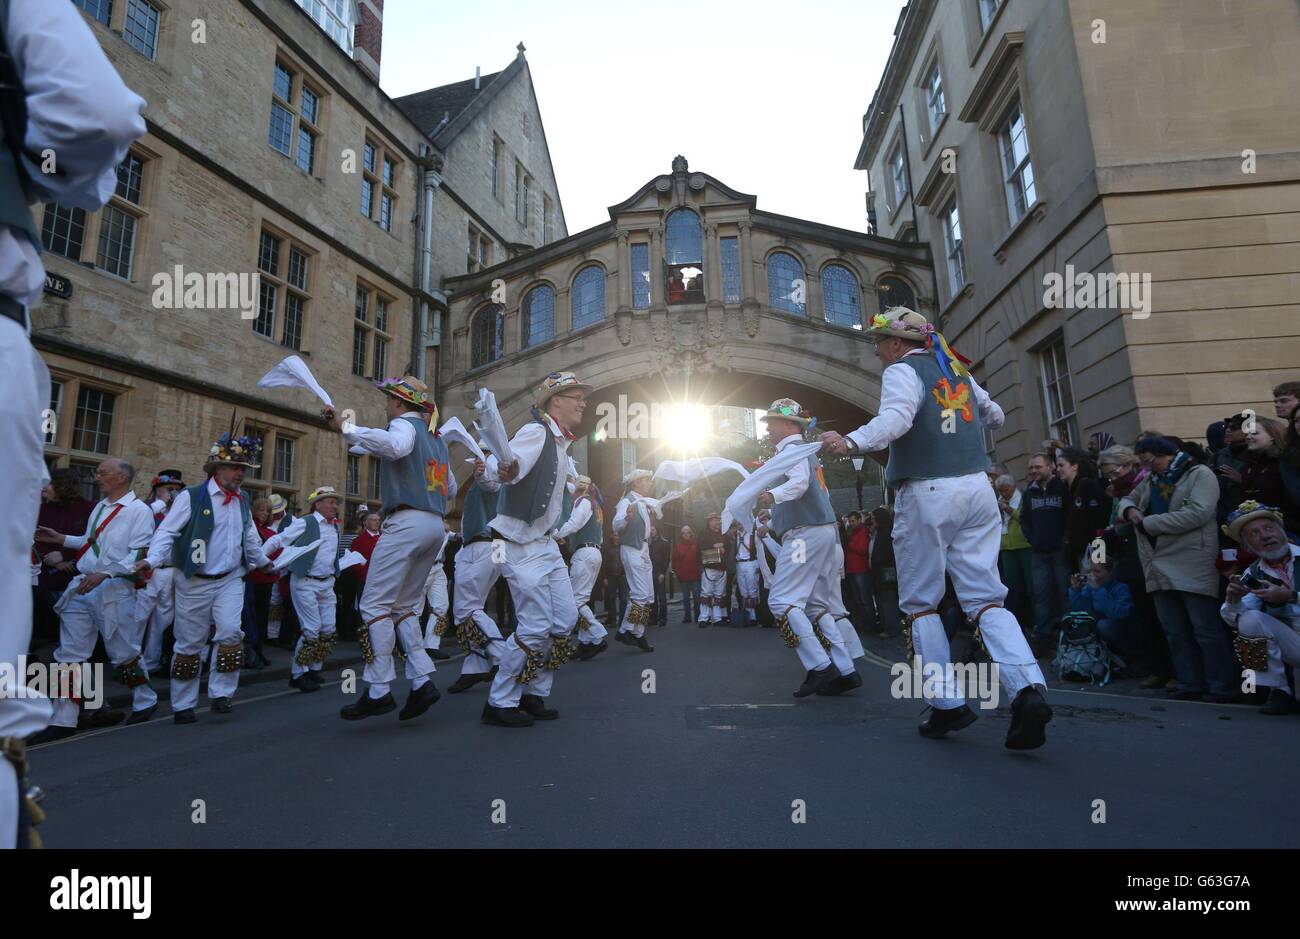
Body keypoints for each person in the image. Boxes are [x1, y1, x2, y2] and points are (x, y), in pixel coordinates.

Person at [821, 308, 1050, 748]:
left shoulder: (902, 371)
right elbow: (996, 416)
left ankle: (946, 704)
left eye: (879, 341)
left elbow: (896, 421)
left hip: (927, 492)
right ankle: (1027, 689)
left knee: (921, 603)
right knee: (985, 597)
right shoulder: (956, 369)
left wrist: (849, 441)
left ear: (895, 344)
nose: (875, 349)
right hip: (977, 489)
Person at [324, 375, 452, 723]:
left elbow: (395, 446)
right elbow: (451, 487)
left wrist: (347, 427)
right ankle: (421, 681)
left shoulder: (404, 427)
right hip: (434, 525)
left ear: (398, 403)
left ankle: (379, 689)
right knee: (403, 607)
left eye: (388, 401)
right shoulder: (436, 441)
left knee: (374, 604)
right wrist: (349, 434)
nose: (386, 406)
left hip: (406, 522)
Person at [137, 433, 276, 723]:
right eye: (235, 467)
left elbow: (249, 536)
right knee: (189, 643)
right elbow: (167, 532)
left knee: (229, 633)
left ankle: (221, 693)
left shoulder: (243, 498)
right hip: (194, 579)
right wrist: (151, 560)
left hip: (230, 578)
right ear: (217, 469)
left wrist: (264, 563)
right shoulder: (191, 496)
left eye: (243, 468)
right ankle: (183, 703)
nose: (240, 473)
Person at [478, 371, 587, 726]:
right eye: (576, 397)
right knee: (536, 624)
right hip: (517, 543)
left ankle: (535, 691)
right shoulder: (536, 431)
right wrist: (503, 470)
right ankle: (499, 701)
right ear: (556, 401)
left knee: (565, 620)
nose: (582, 403)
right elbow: (504, 467)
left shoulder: (560, 445)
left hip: (546, 543)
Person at [30, 458, 157, 741]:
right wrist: (60, 538)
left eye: (102, 473)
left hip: (113, 590)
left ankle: (145, 698)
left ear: (122, 478)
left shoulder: (139, 511)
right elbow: (88, 542)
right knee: (70, 654)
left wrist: (105, 573)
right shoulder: (99, 507)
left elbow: (138, 555)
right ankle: (64, 718)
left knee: (123, 652)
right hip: (82, 586)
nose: (96, 477)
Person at [756, 398, 861, 698]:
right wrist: (775, 512)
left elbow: (799, 485)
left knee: (781, 600)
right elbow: (808, 491)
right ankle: (845, 669)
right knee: (816, 604)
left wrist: (770, 496)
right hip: (820, 531)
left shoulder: (791, 450)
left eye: (772, 421)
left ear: (789, 424)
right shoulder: (801, 450)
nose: (768, 427)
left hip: (805, 535)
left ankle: (819, 666)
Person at [1119, 434, 1236, 701]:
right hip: (1158, 561)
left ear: (1166, 454)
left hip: (1193, 558)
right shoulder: (1151, 479)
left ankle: (1220, 685)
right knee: (1174, 630)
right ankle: (1189, 682)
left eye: (1151, 461)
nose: (1148, 467)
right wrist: (1131, 513)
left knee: (1204, 628)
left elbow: (1198, 513)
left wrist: (1148, 523)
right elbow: (1128, 500)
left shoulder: (1200, 474)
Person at [1097, 445, 1171, 685]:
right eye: (1108, 474)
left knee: (1160, 617)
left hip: (1147, 557)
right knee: (1142, 617)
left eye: (1115, 472)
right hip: (1127, 559)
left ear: (1129, 465)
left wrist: (1115, 531)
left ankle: (1171, 670)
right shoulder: (1116, 491)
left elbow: (1140, 520)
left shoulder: (1142, 484)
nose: (1112, 478)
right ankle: (1154, 667)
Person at [260, 485, 344, 693]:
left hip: (327, 582)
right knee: (311, 629)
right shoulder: (304, 522)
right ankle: (297, 674)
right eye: (331, 502)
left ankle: (314, 668)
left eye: (336, 502)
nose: (335, 506)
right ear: (318, 504)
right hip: (305, 582)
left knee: (329, 628)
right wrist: (260, 559)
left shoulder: (334, 526)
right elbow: (278, 539)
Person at [1219, 501, 1300, 715]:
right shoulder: (1252, 573)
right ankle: (1277, 690)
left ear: (1282, 531)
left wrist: (1291, 596)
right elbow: (1233, 619)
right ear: (1247, 546)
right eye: (1254, 533)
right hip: (1296, 646)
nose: (1264, 536)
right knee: (1249, 619)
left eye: (1269, 528)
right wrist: (1233, 599)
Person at [1020, 452, 1071, 657]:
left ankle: (1069, 638)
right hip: (1039, 553)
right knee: (1041, 598)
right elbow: (1025, 519)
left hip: (1060, 552)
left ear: (1050, 467)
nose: (1033, 471)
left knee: (1064, 595)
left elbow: (1069, 516)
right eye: (1031, 467)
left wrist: (1065, 540)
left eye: (1038, 467)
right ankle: (1043, 640)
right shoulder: (1029, 493)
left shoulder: (1062, 488)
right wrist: (1032, 539)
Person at [553, 474, 608, 660]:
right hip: (593, 551)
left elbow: (574, 524)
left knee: (574, 601)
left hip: (584, 553)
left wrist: (554, 534)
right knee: (581, 599)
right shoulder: (595, 504)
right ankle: (586, 642)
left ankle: (597, 635)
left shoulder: (583, 502)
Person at [612, 469, 659, 651]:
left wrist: (651, 531)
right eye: (646, 480)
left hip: (644, 548)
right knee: (640, 593)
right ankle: (625, 630)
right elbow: (616, 524)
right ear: (637, 483)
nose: (649, 483)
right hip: (632, 548)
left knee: (648, 596)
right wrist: (626, 517)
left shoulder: (644, 502)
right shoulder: (627, 501)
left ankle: (638, 633)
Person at [1056, 447, 1112, 572]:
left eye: (1061, 465)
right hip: (1077, 551)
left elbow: (1100, 520)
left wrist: (1098, 553)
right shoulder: (1065, 489)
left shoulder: (1088, 486)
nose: (1058, 469)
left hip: (1092, 550)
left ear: (1074, 466)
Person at [1241, 416, 1300, 534]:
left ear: (1272, 436)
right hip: (1263, 528)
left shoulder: (1284, 463)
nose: (1248, 437)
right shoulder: (1250, 464)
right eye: (1247, 433)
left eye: (1255, 433)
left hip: (1288, 529)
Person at [1068, 559, 1137, 656]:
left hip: (1124, 631)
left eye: (1097, 571)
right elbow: (1081, 612)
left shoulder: (1121, 588)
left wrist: (1098, 590)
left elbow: (1117, 614)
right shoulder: (1090, 587)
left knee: (1104, 625)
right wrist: (1075, 591)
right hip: (1100, 632)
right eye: (1090, 571)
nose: (1092, 575)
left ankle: (1128, 655)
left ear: (1109, 572)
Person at [870, 506, 902, 638]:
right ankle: (886, 626)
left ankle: (892, 628)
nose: (872, 521)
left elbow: (888, 553)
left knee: (888, 601)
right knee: (882, 601)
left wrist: (878, 560)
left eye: (873, 518)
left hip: (885, 572)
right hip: (879, 572)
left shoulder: (887, 532)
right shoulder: (879, 532)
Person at [697, 513, 728, 627]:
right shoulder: (703, 533)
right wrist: (715, 545)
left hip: (721, 567)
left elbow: (728, 546)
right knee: (706, 593)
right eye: (715, 520)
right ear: (709, 522)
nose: (718, 522)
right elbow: (701, 546)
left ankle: (717, 618)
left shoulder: (723, 533)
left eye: (718, 520)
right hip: (709, 567)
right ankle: (703, 618)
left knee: (719, 594)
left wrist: (723, 547)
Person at [732, 522, 760, 627]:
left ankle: (753, 616)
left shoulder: (752, 534)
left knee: (752, 590)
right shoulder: (734, 535)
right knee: (743, 591)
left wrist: (758, 565)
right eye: (737, 522)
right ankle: (746, 615)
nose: (739, 524)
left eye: (740, 522)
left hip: (750, 563)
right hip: (739, 564)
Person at [672, 526, 701, 623]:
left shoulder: (696, 546)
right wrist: (678, 572)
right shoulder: (678, 546)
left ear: (691, 533)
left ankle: (698, 616)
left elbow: (700, 560)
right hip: (683, 576)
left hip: (695, 575)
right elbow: (675, 561)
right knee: (685, 598)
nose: (686, 534)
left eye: (687, 532)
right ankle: (687, 617)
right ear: (681, 534)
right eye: (684, 533)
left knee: (697, 597)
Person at [602, 532, 627, 625]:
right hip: (611, 575)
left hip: (623, 575)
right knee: (611, 598)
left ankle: (622, 620)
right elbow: (603, 563)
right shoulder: (607, 547)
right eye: (615, 535)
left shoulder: (624, 546)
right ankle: (612, 620)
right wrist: (604, 577)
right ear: (611, 536)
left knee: (623, 599)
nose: (617, 537)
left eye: (618, 535)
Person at [650, 524, 671, 627]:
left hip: (659, 572)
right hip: (650, 573)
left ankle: (663, 618)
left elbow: (666, 559)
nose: (651, 531)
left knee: (661, 597)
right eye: (650, 530)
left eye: (653, 529)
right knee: (652, 597)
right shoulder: (649, 544)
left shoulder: (664, 543)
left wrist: (663, 572)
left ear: (657, 530)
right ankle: (653, 619)